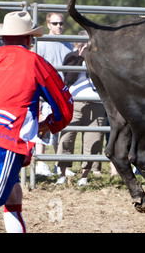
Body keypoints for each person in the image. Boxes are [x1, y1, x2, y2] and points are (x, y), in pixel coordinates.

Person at [0, 11, 73, 232]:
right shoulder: (35, 62)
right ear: (29, 39)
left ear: (3, 37)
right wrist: (49, 125)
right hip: (4, 140)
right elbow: (64, 106)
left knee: (13, 190)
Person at [55, 31, 107, 186]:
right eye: (83, 42)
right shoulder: (71, 56)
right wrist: (80, 55)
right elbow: (69, 78)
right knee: (66, 138)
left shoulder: (99, 57)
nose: (86, 45)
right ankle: (62, 174)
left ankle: (84, 176)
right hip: (75, 103)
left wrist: (91, 57)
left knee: (93, 141)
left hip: (96, 104)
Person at [35, 12, 72, 176]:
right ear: (48, 25)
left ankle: (60, 164)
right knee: (44, 125)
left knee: (61, 126)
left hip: (63, 90)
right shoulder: (41, 43)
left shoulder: (68, 43)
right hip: (47, 92)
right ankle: (40, 163)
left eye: (61, 23)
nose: (59, 26)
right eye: (55, 23)